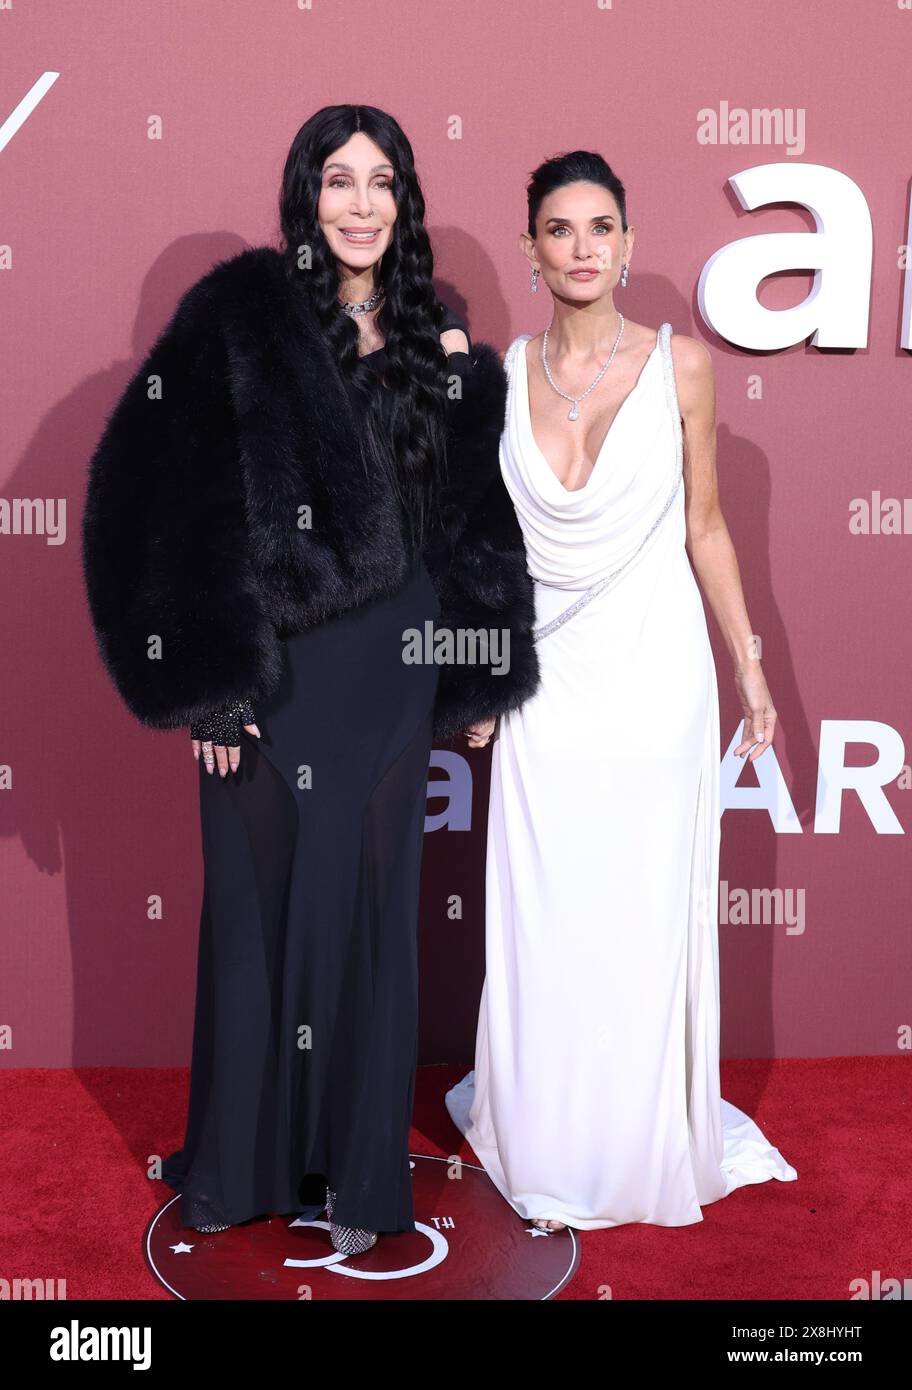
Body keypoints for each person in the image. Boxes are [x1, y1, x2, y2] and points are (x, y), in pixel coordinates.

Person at [81, 105, 539, 1256]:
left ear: (406, 201)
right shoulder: (240, 317)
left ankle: (350, 1164)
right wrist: (207, 684)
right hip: (274, 685)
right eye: (339, 180)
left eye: (383, 181)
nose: (362, 204)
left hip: (391, 674)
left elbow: (472, 528)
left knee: (370, 922)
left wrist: (476, 671)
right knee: (258, 918)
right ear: (305, 194)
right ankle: (243, 1164)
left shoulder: (441, 344)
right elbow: (152, 493)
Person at [445, 150, 798, 1231]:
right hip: (550, 686)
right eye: (561, 229)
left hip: (654, 681)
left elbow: (705, 525)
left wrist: (746, 658)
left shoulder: (684, 365)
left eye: (603, 227)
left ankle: (642, 1133)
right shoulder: (500, 374)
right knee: (550, 917)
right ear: (532, 251)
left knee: (640, 916)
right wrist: (487, 666)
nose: (584, 246)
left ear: (630, 244)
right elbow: (484, 543)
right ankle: (550, 1131)